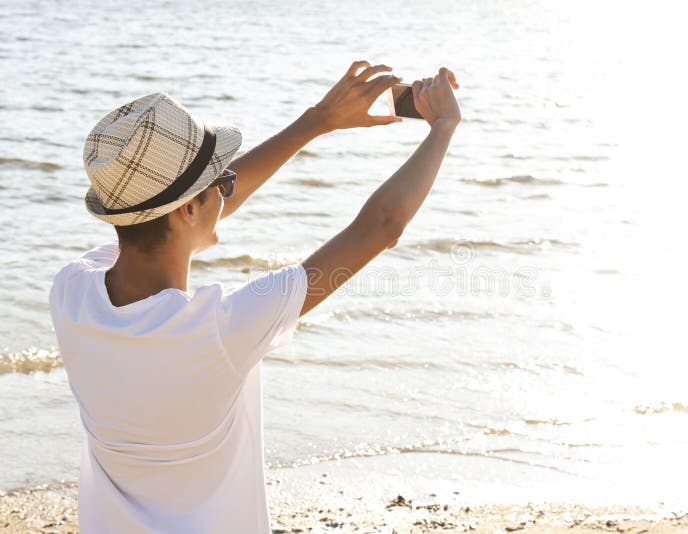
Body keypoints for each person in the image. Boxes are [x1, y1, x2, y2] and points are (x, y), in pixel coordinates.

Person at [48, 61, 460, 533]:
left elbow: (181, 215)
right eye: (221, 183)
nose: (229, 190)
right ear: (187, 209)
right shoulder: (219, 330)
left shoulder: (72, 293)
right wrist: (444, 126)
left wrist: (319, 121)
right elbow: (381, 227)